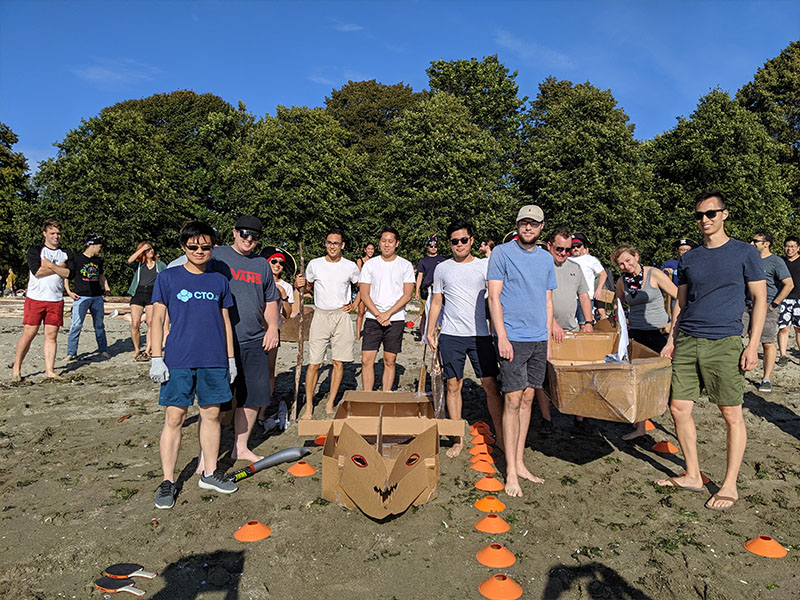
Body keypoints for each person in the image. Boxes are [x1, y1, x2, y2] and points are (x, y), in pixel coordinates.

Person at [656, 190, 766, 512]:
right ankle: (692, 475)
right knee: (678, 408)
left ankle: (729, 485)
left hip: (724, 342)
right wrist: (672, 339)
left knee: (731, 413)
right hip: (688, 339)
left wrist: (753, 345)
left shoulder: (745, 252)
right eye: (699, 215)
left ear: (724, 214)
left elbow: (760, 299)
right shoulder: (689, 258)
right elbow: (680, 302)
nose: (704, 220)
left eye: (711, 213)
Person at [150, 221, 238, 509]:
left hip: (214, 359)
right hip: (178, 359)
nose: (199, 251)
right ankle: (167, 480)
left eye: (206, 247)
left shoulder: (219, 281)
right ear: (183, 247)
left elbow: (225, 321)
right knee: (174, 417)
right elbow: (157, 319)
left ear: (212, 248)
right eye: (193, 246)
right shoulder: (168, 278)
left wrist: (230, 359)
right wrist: (156, 357)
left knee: (211, 415)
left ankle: (210, 473)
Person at [487, 205, 556, 497]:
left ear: (541, 227)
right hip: (513, 338)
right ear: (517, 225)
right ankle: (511, 472)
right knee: (512, 399)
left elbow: (548, 300)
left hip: (538, 338)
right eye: (524, 223)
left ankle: (520, 462)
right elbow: (494, 297)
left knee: (528, 399)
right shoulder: (501, 254)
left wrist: (548, 338)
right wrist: (502, 337)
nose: (528, 228)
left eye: (534, 223)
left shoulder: (546, 258)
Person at [426, 221, 503, 458]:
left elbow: (496, 299)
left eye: (463, 240)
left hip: (480, 335)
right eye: (454, 241)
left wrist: (500, 331)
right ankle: (457, 439)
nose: (459, 244)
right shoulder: (442, 268)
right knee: (453, 384)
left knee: (490, 385)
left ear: (471, 241)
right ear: (449, 244)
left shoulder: (485, 266)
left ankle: (501, 436)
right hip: (451, 335)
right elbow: (437, 301)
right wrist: (429, 330)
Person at [210, 216, 279, 462]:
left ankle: (240, 447)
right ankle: (206, 454)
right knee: (214, 401)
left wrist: (273, 328)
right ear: (234, 232)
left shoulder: (262, 265)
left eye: (254, 236)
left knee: (252, 397)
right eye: (244, 233)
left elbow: (271, 300)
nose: (249, 239)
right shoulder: (216, 256)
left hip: (254, 340)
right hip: (219, 342)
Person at [612, 244, 678, 440]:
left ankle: (679, 428)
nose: (626, 266)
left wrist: (672, 325)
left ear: (636, 256)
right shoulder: (622, 281)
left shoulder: (654, 274)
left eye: (628, 260)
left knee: (668, 382)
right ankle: (640, 427)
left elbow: (680, 297)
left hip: (659, 334)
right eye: (621, 264)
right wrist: (620, 321)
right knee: (639, 382)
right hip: (637, 335)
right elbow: (618, 305)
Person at [295, 229, 360, 418]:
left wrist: (355, 304)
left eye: (336, 243)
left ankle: (330, 402)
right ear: (325, 244)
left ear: (342, 245)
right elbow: (307, 286)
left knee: (338, 362)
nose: (332, 246)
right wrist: (300, 284)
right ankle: (309, 406)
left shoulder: (350, 266)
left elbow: (362, 286)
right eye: (329, 242)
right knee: (314, 363)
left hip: (341, 315)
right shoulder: (315, 264)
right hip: (320, 314)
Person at [534, 226, 594, 432]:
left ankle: (580, 418)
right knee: (544, 377)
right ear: (549, 246)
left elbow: (583, 296)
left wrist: (588, 322)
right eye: (559, 248)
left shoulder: (575, 267)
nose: (563, 253)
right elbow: (537, 297)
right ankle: (546, 419)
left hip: (571, 330)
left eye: (568, 249)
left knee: (578, 375)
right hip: (543, 330)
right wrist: (552, 323)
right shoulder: (539, 266)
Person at [12, 219, 71, 381]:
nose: (56, 236)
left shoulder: (66, 253)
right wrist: (59, 267)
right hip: (35, 299)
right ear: (45, 233)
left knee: (52, 336)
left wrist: (50, 265)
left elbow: (69, 274)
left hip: (56, 300)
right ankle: (17, 368)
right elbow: (37, 271)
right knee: (29, 334)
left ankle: (49, 370)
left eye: (58, 233)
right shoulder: (35, 250)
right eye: (52, 233)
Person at [359, 227, 415, 391]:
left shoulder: (405, 265)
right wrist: (378, 314)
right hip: (372, 317)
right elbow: (364, 293)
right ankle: (368, 395)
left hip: (395, 319)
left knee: (390, 360)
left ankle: (386, 394)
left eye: (390, 241)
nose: (387, 244)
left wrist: (388, 314)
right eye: (384, 241)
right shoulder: (370, 265)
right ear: (379, 243)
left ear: (396, 243)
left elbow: (407, 294)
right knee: (366, 360)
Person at [743, 231, 793, 392]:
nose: (751, 243)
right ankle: (737, 375)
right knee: (735, 338)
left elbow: (789, 284)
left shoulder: (776, 261)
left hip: (767, 306)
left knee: (767, 342)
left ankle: (766, 379)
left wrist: (774, 304)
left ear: (766, 244)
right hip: (746, 305)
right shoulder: (748, 259)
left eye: (755, 241)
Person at [65, 234, 111, 360]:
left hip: (97, 296)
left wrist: (106, 287)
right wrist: (68, 291)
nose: (100, 249)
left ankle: (103, 350)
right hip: (81, 296)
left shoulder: (98, 261)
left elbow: (101, 275)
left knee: (99, 325)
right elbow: (67, 275)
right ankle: (71, 353)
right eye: (99, 246)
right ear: (93, 245)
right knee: (76, 325)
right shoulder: (77, 258)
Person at [265, 249, 294, 410]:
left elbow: (288, 314)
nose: (277, 265)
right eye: (274, 261)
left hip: (273, 330)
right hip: (254, 329)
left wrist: (283, 295)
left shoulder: (286, 286)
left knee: (270, 370)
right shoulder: (259, 279)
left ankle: (265, 407)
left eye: (281, 263)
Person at [127, 242, 166, 361]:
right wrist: (142, 249)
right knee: (135, 323)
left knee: (150, 322)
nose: (151, 251)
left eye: (151, 249)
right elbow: (129, 260)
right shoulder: (139, 264)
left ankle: (147, 350)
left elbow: (165, 277)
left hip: (152, 293)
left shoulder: (160, 265)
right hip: (138, 292)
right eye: (148, 250)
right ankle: (136, 349)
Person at [569, 233, 608, 321]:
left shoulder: (591, 259)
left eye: (578, 246)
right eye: (573, 246)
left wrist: (599, 289)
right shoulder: (567, 260)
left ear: (583, 247)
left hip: (586, 297)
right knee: (569, 325)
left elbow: (603, 274)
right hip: (570, 298)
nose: (575, 248)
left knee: (585, 323)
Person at [415, 235, 446, 342]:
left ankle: (435, 335)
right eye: (431, 246)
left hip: (438, 290)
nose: (433, 248)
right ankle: (423, 335)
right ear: (427, 247)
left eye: (435, 246)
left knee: (438, 313)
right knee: (424, 314)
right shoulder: (423, 261)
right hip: (426, 290)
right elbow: (420, 276)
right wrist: (417, 291)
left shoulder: (442, 260)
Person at [777, 235, 800, 366]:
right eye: (787, 246)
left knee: (798, 329)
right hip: (784, 299)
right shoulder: (780, 262)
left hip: (799, 300)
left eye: (792, 246)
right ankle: (783, 355)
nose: (789, 249)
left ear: (798, 248)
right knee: (784, 328)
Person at [355, 242, 374, 341]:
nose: (370, 251)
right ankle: (358, 334)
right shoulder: (360, 261)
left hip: (373, 289)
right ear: (365, 250)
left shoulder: (375, 261)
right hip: (363, 289)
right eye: (369, 249)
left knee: (372, 312)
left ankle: (371, 333)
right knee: (361, 312)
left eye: (372, 249)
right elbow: (359, 275)